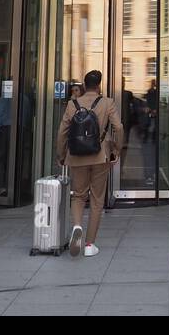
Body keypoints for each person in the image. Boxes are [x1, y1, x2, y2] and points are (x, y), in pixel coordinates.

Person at [55, 69, 124, 257]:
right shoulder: (107, 102)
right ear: (99, 85)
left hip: (76, 156)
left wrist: (61, 154)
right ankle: (89, 244)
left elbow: (62, 132)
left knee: (78, 196)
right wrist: (116, 149)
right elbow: (118, 127)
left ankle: (77, 226)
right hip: (100, 155)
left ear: (84, 86)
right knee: (96, 198)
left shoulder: (72, 104)